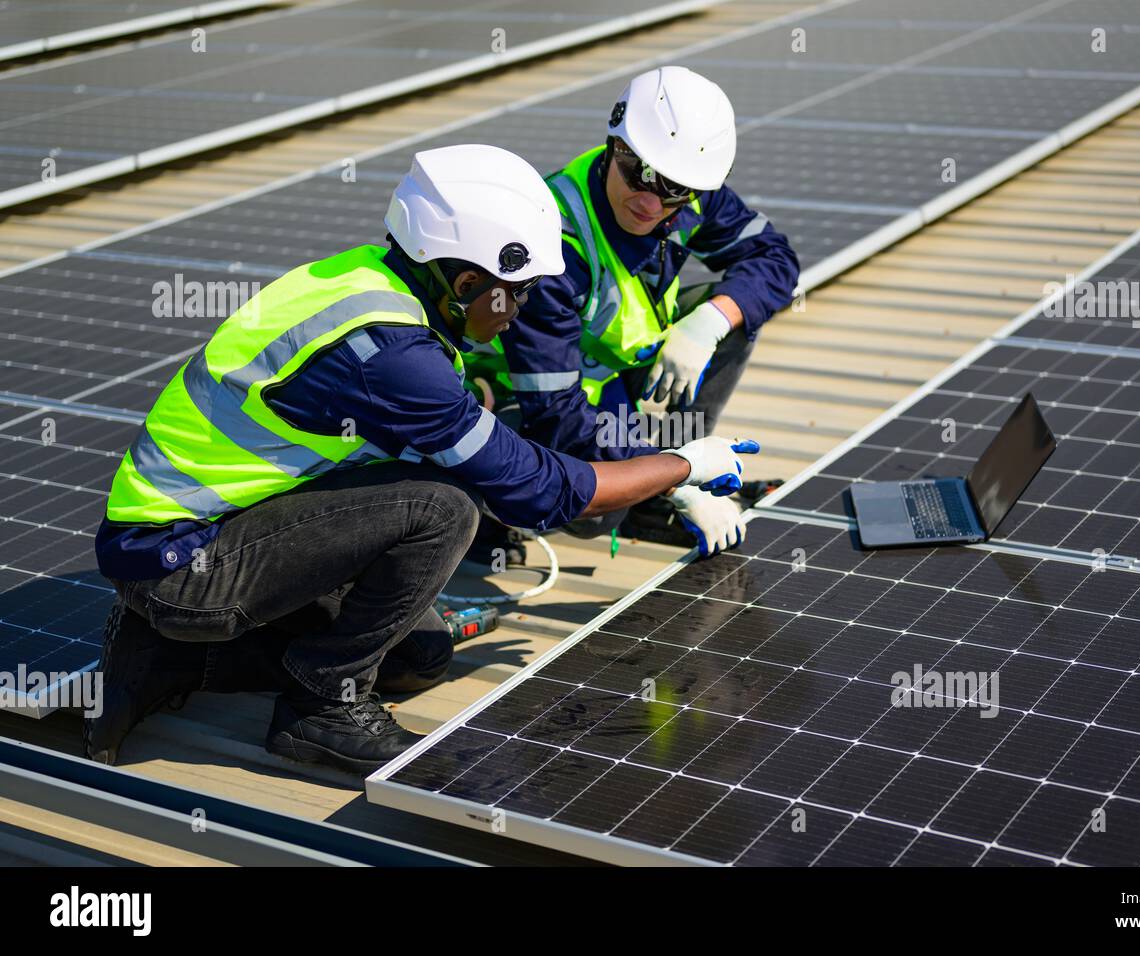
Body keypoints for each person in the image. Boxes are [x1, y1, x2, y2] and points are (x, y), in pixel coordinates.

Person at [86, 144, 760, 775]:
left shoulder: (375, 280)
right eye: (514, 291)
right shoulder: (394, 356)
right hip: (179, 557)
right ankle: (317, 709)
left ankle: (172, 659)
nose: (521, 310)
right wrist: (682, 464)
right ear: (467, 280)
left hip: (227, 526)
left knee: (421, 656)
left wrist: (472, 408)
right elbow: (541, 494)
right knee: (443, 507)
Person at [463, 66, 799, 565]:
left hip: (617, 383)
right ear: (613, 145)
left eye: (672, 189)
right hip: (525, 403)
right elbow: (559, 418)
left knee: (731, 312)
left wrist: (708, 321)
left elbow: (775, 259)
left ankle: (659, 478)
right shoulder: (554, 245)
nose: (649, 200)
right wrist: (675, 475)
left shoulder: (688, 194)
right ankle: (489, 512)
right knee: (592, 509)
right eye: (637, 173)